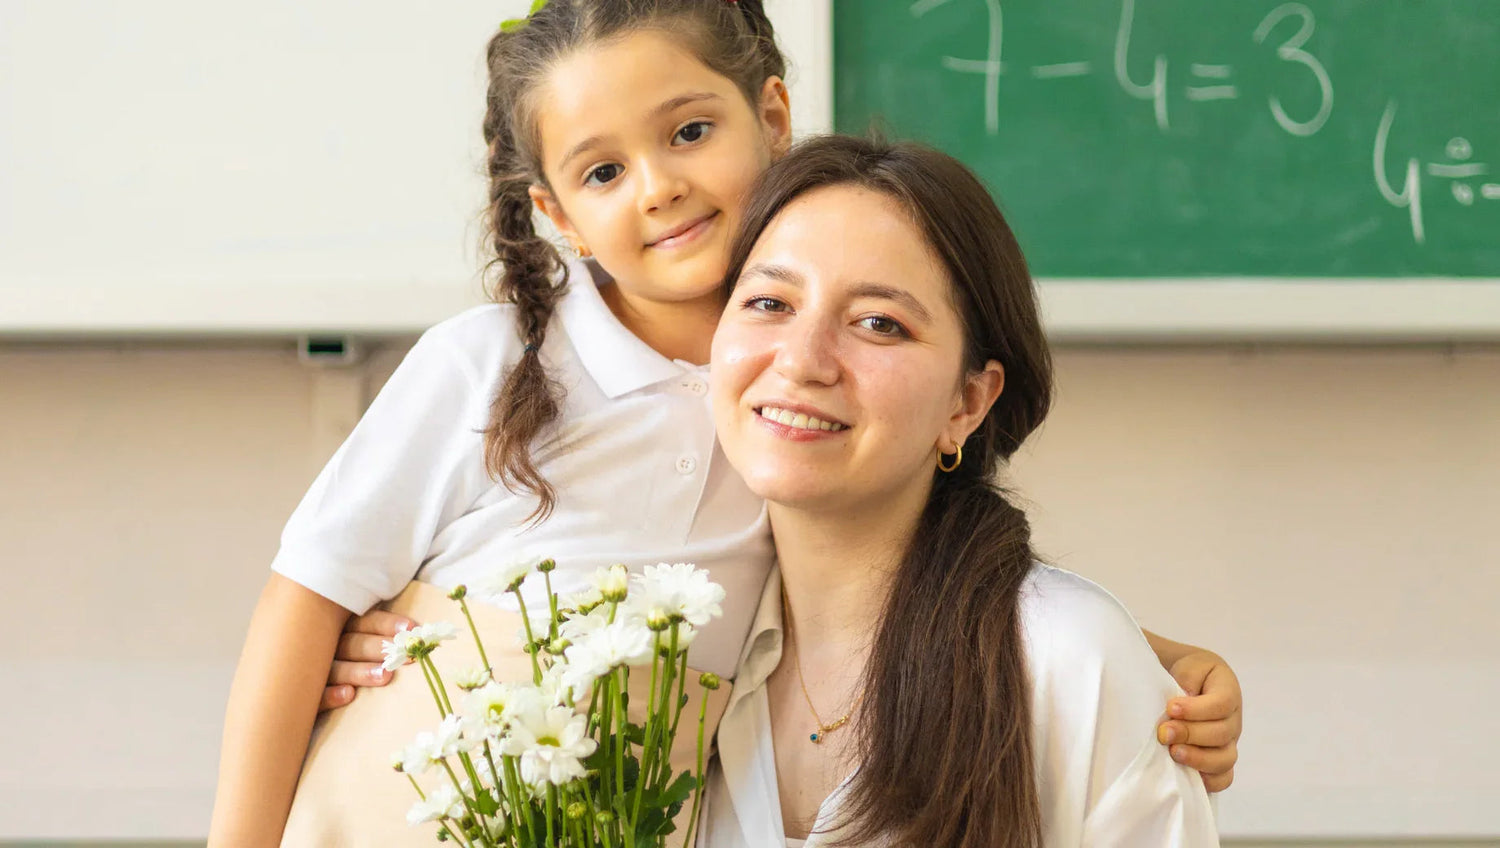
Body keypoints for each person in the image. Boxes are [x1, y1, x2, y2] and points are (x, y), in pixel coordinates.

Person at [208, 2, 1238, 844]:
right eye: (604, 171)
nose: (660, 186)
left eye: (690, 131)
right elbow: (301, 604)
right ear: (558, 216)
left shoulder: (784, 413)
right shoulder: (489, 368)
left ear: (772, 116)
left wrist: (1151, 655)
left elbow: (900, 575)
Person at [699, 134, 1221, 846]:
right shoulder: (674, 655)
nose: (801, 360)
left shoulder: (1071, 662)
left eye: (879, 323)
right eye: (768, 302)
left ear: (967, 403)